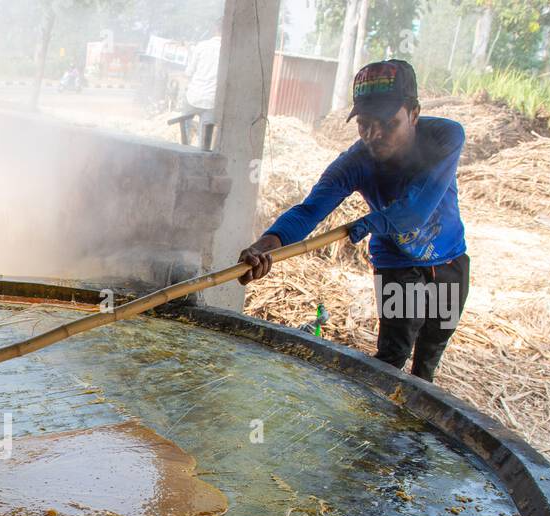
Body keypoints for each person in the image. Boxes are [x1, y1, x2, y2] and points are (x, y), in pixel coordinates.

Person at [238, 60, 469, 383]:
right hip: (397, 262)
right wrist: (264, 247)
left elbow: (416, 210)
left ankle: (410, 429)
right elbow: (308, 212)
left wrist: (370, 222)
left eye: (388, 124)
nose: (374, 136)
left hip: (448, 257)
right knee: (394, 353)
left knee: (431, 350)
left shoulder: (445, 137)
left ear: (414, 113)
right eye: (364, 124)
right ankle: (376, 428)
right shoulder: (355, 163)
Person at [182, 20, 221, 135]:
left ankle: (184, 147)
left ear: (215, 29)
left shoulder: (201, 46)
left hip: (193, 96)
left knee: (185, 132)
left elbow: (188, 72)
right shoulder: (230, 51)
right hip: (212, 101)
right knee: (204, 142)